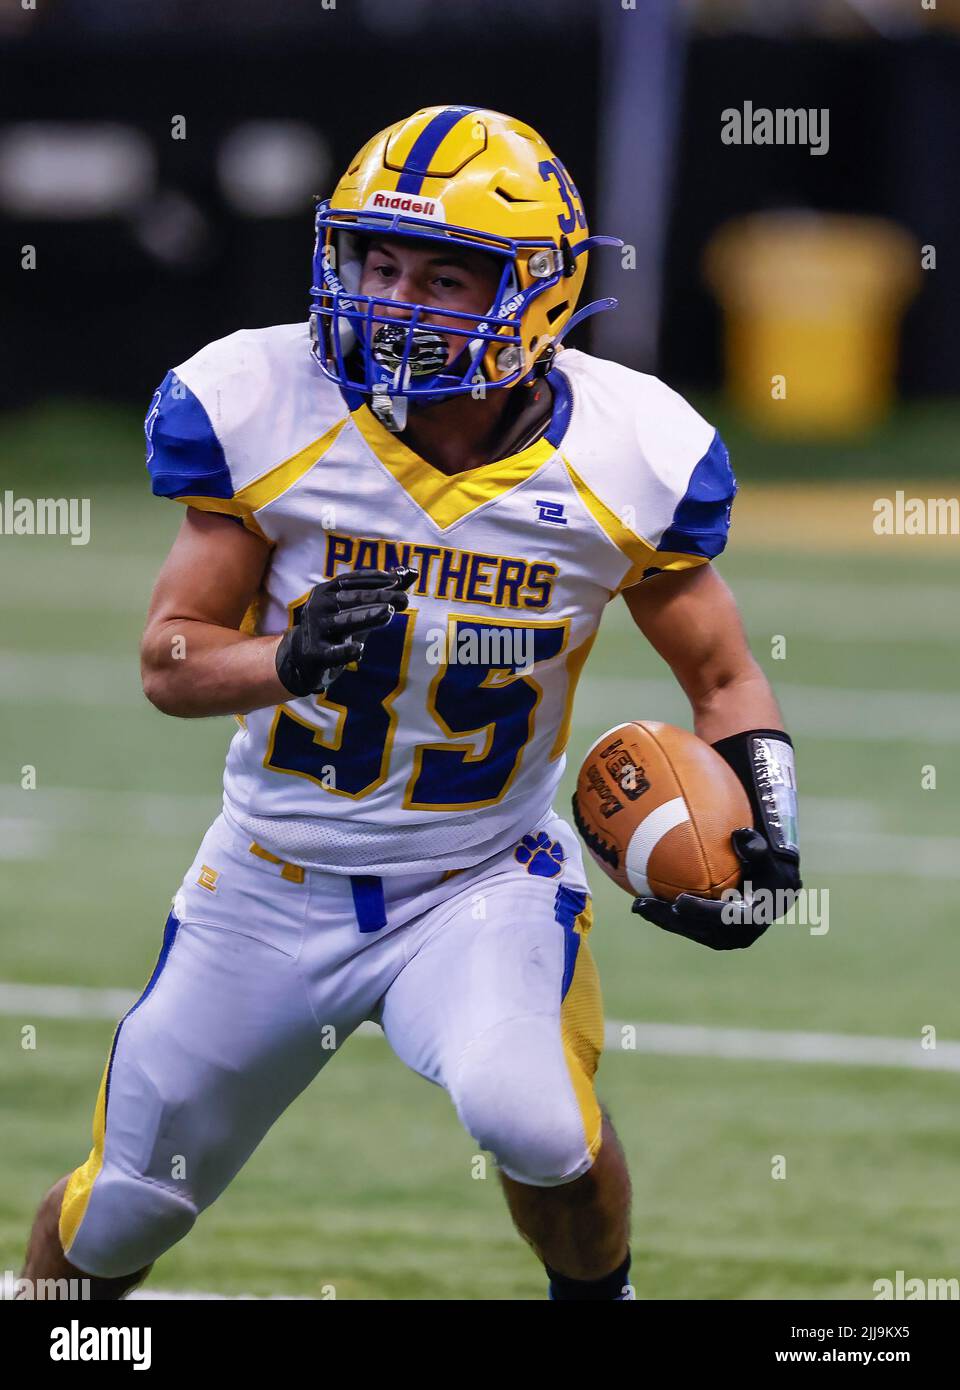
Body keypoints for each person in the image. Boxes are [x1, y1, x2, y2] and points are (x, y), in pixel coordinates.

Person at [22, 106, 800, 1302]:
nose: (395, 299)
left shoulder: (631, 451)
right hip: (271, 878)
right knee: (123, 1208)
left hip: (477, 877)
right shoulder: (262, 400)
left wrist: (769, 831)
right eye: (377, 262)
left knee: (535, 1118)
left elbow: (723, 677)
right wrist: (285, 661)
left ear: (538, 295)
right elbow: (170, 661)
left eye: (447, 277)